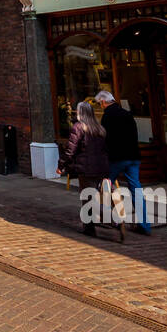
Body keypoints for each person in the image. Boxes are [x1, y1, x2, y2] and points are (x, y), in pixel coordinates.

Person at [98, 89, 150, 235]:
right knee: (136, 189)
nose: (101, 106)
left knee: (106, 185)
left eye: (100, 103)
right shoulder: (127, 114)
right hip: (133, 157)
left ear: (103, 102)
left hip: (116, 158)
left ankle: (111, 218)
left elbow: (105, 139)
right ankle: (144, 224)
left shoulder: (107, 116)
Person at [58, 101, 112, 237]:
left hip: (86, 168)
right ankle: (92, 225)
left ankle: (104, 222)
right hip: (101, 168)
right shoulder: (99, 128)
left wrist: (61, 165)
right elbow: (106, 149)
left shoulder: (78, 127)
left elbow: (70, 149)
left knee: (88, 198)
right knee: (94, 196)